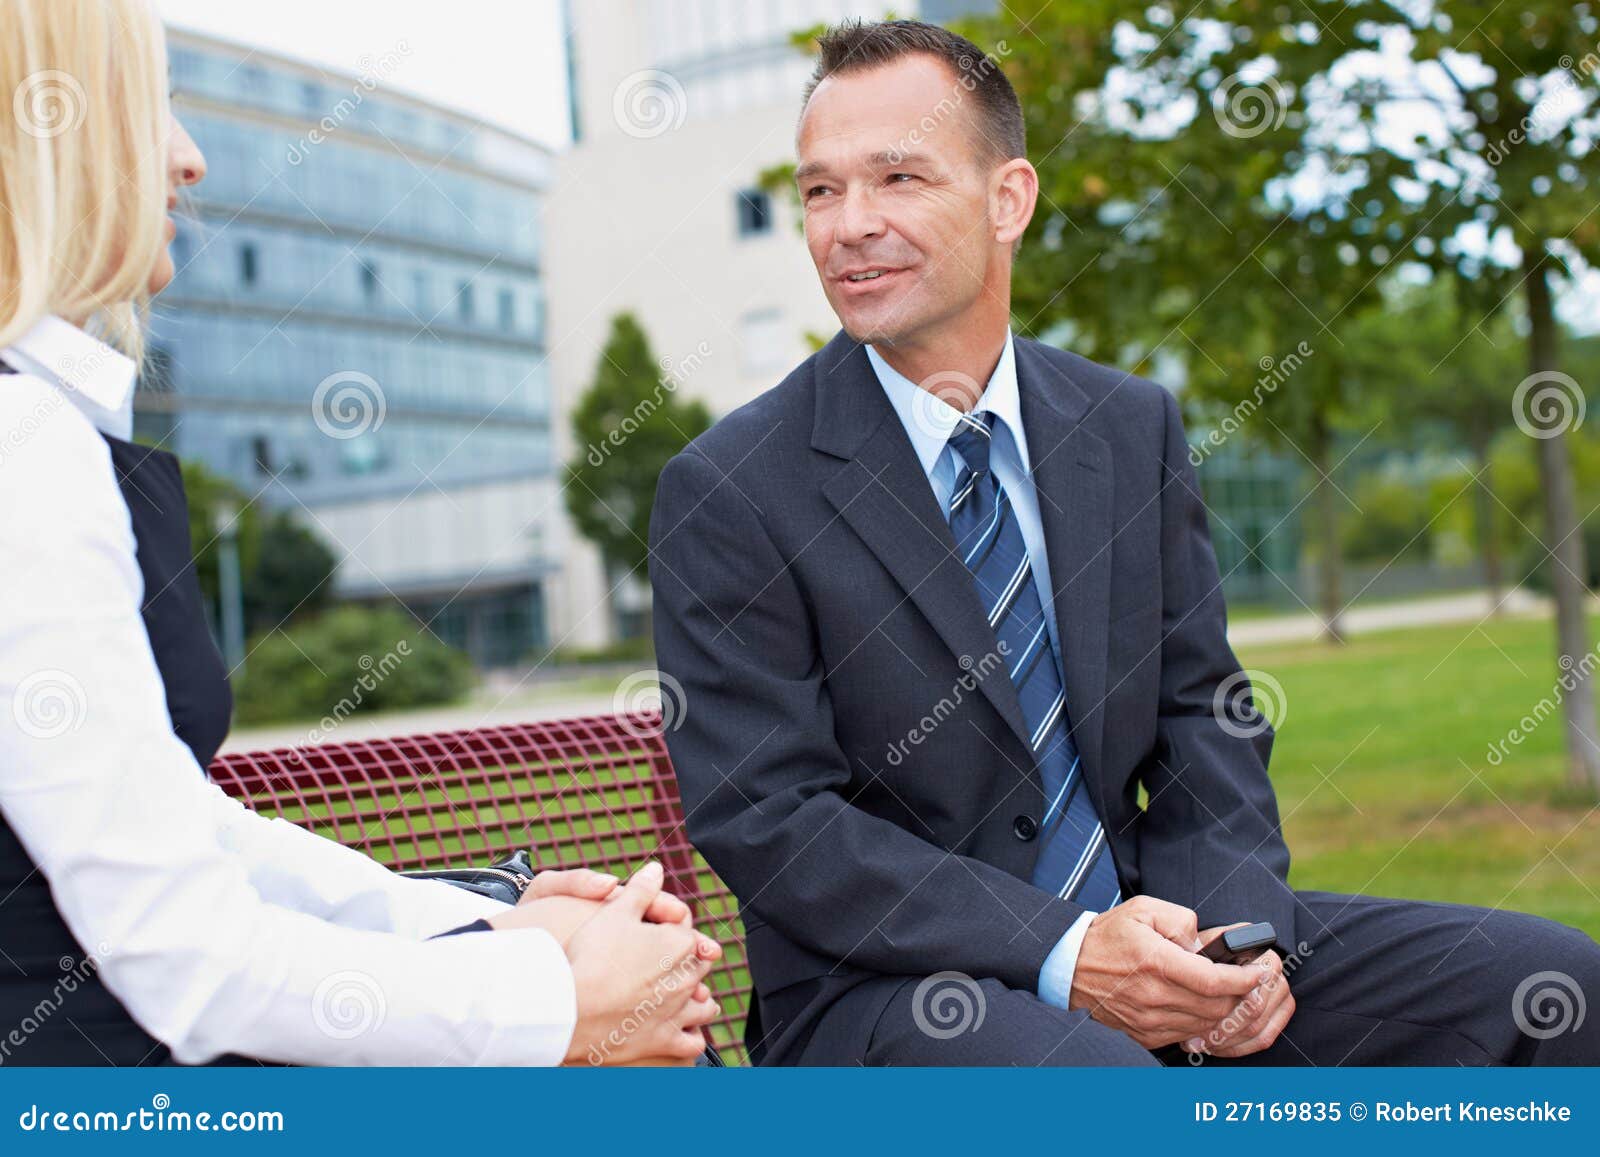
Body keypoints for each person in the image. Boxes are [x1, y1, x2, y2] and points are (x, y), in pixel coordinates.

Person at [648, 18, 1600, 1066]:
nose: (848, 224)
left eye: (897, 177)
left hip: (1151, 923)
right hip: (886, 998)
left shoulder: (1122, 424)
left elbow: (1205, 713)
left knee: (1544, 985)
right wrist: (1064, 949)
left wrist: (1237, 933)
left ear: (1009, 198)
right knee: (1109, 1087)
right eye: (820, 190)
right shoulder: (730, 489)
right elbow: (775, 822)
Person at [0, 0, 718, 1067]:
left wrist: (476, 924)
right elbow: (191, 960)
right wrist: (555, 1005)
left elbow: (181, 831)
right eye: (148, 107)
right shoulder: (29, 450)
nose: (189, 160)